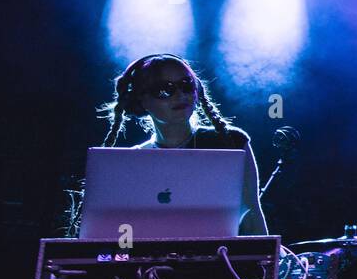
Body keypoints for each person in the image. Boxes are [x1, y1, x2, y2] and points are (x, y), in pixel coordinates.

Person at [94, 53, 269, 236]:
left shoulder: (231, 142)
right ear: (141, 100)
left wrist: (265, 262)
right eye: (164, 89)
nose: (180, 95)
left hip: (223, 261)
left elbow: (252, 214)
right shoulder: (130, 162)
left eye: (187, 85)